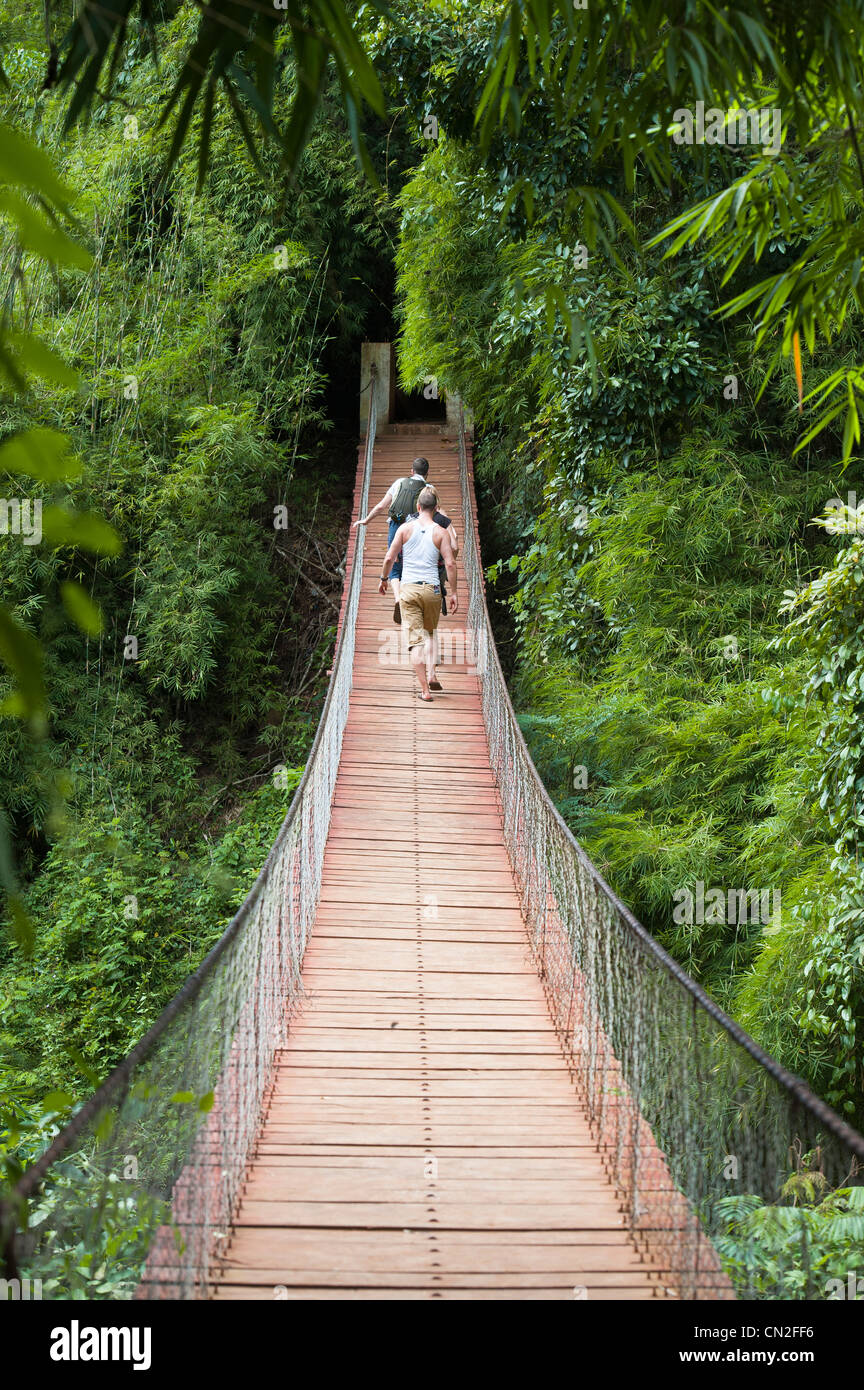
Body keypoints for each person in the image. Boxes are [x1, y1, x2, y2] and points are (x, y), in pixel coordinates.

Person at [377, 486, 458, 701]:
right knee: (430, 633)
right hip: (433, 589)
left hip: (409, 589)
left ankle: (424, 690)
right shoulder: (441, 532)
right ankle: (432, 674)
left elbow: (389, 558)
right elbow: (450, 563)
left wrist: (384, 579)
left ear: (418, 506)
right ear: (435, 508)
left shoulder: (404, 529)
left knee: (415, 642)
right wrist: (454, 593)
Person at [353, 457, 430, 619]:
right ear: (427, 474)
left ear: (411, 471)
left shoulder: (399, 482)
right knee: (411, 565)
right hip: (414, 531)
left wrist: (366, 520)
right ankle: (413, 600)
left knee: (394, 565)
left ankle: (397, 598)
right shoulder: (429, 489)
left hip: (395, 527)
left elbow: (381, 506)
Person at [423, 487, 459, 691]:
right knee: (432, 618)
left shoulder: (412, 520)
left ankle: (427, 669)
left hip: (414, 578)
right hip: (437, 574)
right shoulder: (444, 520)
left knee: (422, 625)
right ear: (437, 502)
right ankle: (432, 667)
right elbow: (453, 548)